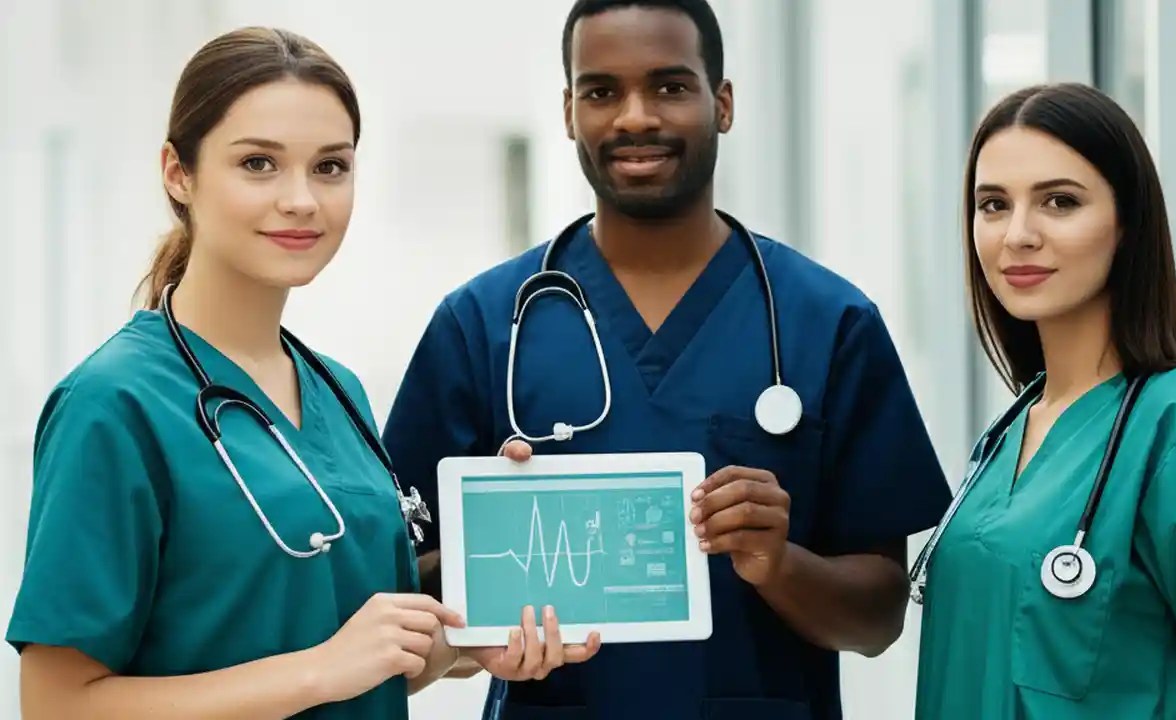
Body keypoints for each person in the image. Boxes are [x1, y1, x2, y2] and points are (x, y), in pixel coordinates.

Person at [381, 1, 954, 718]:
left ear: (723, 103)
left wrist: (779, 564)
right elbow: (399, 594)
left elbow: (879, 617)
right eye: (601, 91)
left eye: (670, 86)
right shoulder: (481, 325)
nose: (635, 117)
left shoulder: (829, 323)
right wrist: (492, 555)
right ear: (568, 112)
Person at [5, 27, 570, 720]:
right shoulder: (112, 404)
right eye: (258, 164)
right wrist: (316, 673)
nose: (302, 199)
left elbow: (362, 653)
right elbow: (56, 704)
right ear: (178, 173)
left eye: (330, 167)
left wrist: (469, 636)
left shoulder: (338, 390)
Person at [911, 82, 1176, 719]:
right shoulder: (1010, 432)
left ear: (1127, 224)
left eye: (1059, 201)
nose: (1017, 234)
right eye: (993, 204)